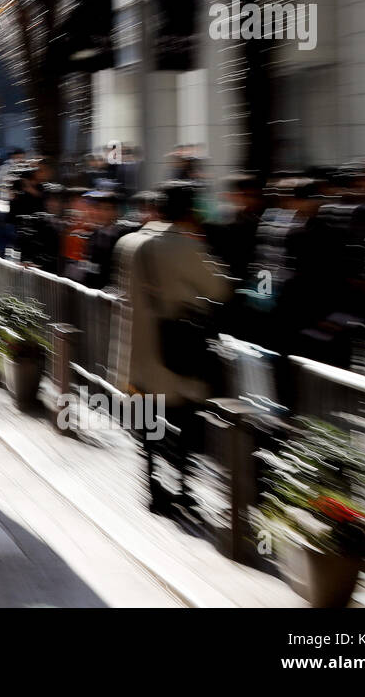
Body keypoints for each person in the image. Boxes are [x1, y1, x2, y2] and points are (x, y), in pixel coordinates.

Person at [113, 181, 233, 515]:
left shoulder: (128, 242)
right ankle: (182, 485)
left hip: (137, 352)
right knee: (185, 418)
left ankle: (152, 485)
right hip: (176, 352)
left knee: (147, 422)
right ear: (190, 211)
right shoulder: (183, 245)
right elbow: (219, 287)